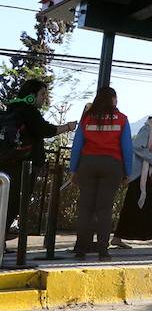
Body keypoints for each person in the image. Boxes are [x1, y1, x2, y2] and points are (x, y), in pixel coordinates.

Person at [0, 79, 77, 240]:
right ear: (31, 96)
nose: (44, 98)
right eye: (42, 94)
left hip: (8, 163)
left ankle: (2, 238)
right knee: (16, 202)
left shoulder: (13, 108)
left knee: (7, 201)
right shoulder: (29, 110)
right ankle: (1, 237)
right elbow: (45, 130)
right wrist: (68, 127)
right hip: (24, 165)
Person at [70, 87, 136, 260]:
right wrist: (128, 172)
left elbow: (77, 145)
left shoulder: (87, 118)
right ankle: (103, 251)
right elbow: (127, 148)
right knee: (104, 209)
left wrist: (73, 169)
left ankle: (81, 249)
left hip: (87, 163)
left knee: (85, 208)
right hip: (112, 165)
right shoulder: (122, 119)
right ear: (113, 99)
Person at [112, 109, 152, 250]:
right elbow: (136, 147)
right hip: (139, 175)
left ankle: (118, 237)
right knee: (151, 207)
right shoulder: (147, 131)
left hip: (139, 175)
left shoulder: (151, 131)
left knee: (131, 207)